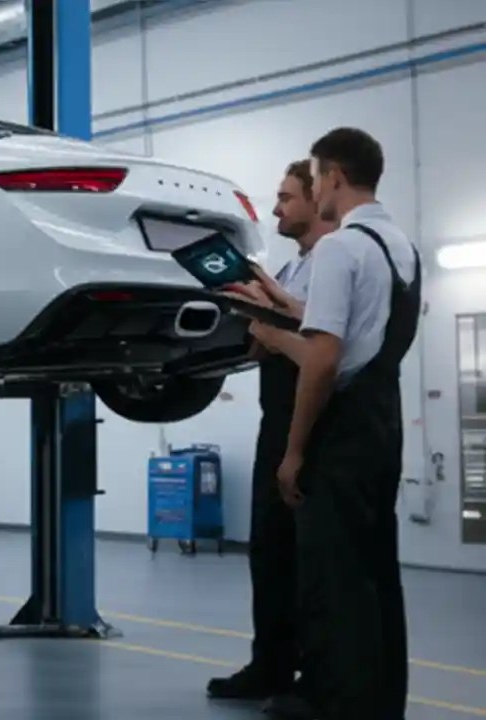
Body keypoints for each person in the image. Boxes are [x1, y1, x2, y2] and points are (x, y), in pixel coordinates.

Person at [242, 127, 421, 720]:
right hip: (382, 424)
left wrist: (293, 453)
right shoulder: (398, 245)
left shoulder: (341, 247)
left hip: (341, 432)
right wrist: (287, 308)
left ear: (334, 177)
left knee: (331, 573)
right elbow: (362, 328)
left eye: (315, 179)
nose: (315, 190)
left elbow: (324, 361)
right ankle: (378, 702)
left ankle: (332, 700)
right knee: (375, 571)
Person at [206, 160, 335, 705]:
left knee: (309, 558)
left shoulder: (332, 264)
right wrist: (253, 309)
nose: (277, 208)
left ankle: (316, 676)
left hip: (313, 423)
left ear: (316, 200)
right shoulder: (290, 268)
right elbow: (262, 347)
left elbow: (323, 354)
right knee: (270, 550)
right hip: (274, 419)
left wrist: (276, 326)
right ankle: (271, 665)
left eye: (286, 197)